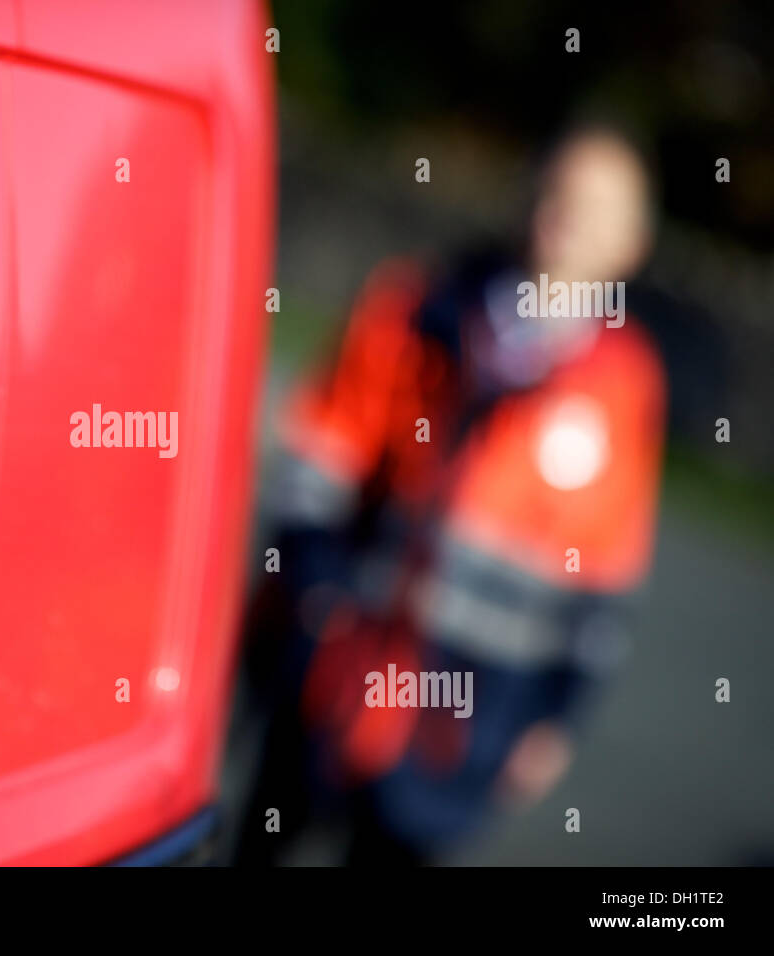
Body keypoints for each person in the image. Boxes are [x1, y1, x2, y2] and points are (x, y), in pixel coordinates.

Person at [236, 127, 666, 865]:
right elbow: (316, 464)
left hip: (464, 719)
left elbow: (603, 575)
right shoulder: (414, 307)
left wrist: (553, 719)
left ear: (633, 242)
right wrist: (313, 602)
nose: (565, 215)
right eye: (556, 189)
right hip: (329, 679)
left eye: (597, 207)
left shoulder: (623, 386)